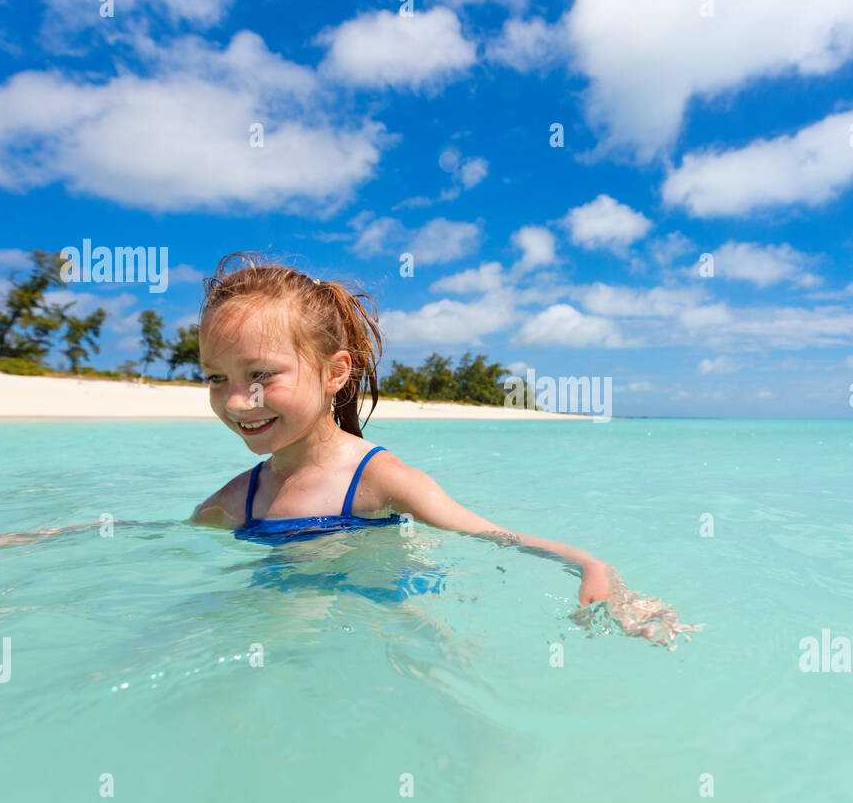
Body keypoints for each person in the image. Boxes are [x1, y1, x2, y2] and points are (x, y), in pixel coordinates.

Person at [189, 253, 700, 648]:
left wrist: (594, 567)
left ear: (335, 372)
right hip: (285, 637)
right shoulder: (236, 502)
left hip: (386, 626)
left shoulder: (377, 481)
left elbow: (495, 537)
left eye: (261, 374)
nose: (237, 400)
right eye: (216, 378)